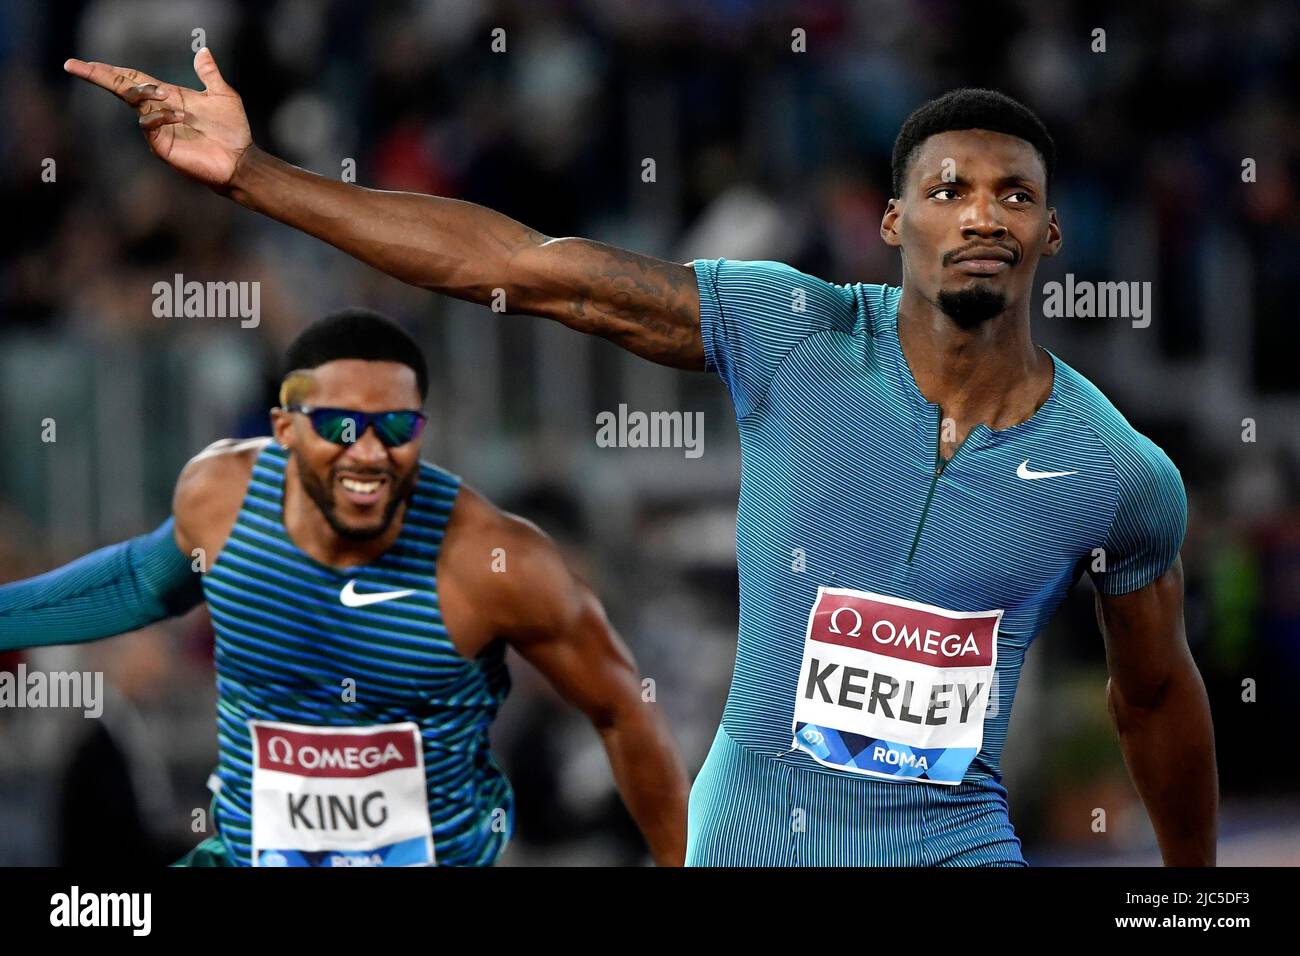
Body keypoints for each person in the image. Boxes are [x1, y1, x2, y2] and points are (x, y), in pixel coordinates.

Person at [63, 49, 1217, 865]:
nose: (979, 214)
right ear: (891, 221)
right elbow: (524, 263)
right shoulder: (791, 330)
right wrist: (259, 175)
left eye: (1013, 194)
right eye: (946, 189)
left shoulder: (1117, 473)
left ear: (1052, 231)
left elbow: (1154, 691)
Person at [1, 308, 689, 866]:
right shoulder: (221, 501)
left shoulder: (494, 563)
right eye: (338, 426)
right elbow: (140, 583)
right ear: (283, 431)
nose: (368, 452)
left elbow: (623, 708)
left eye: (396, 427)